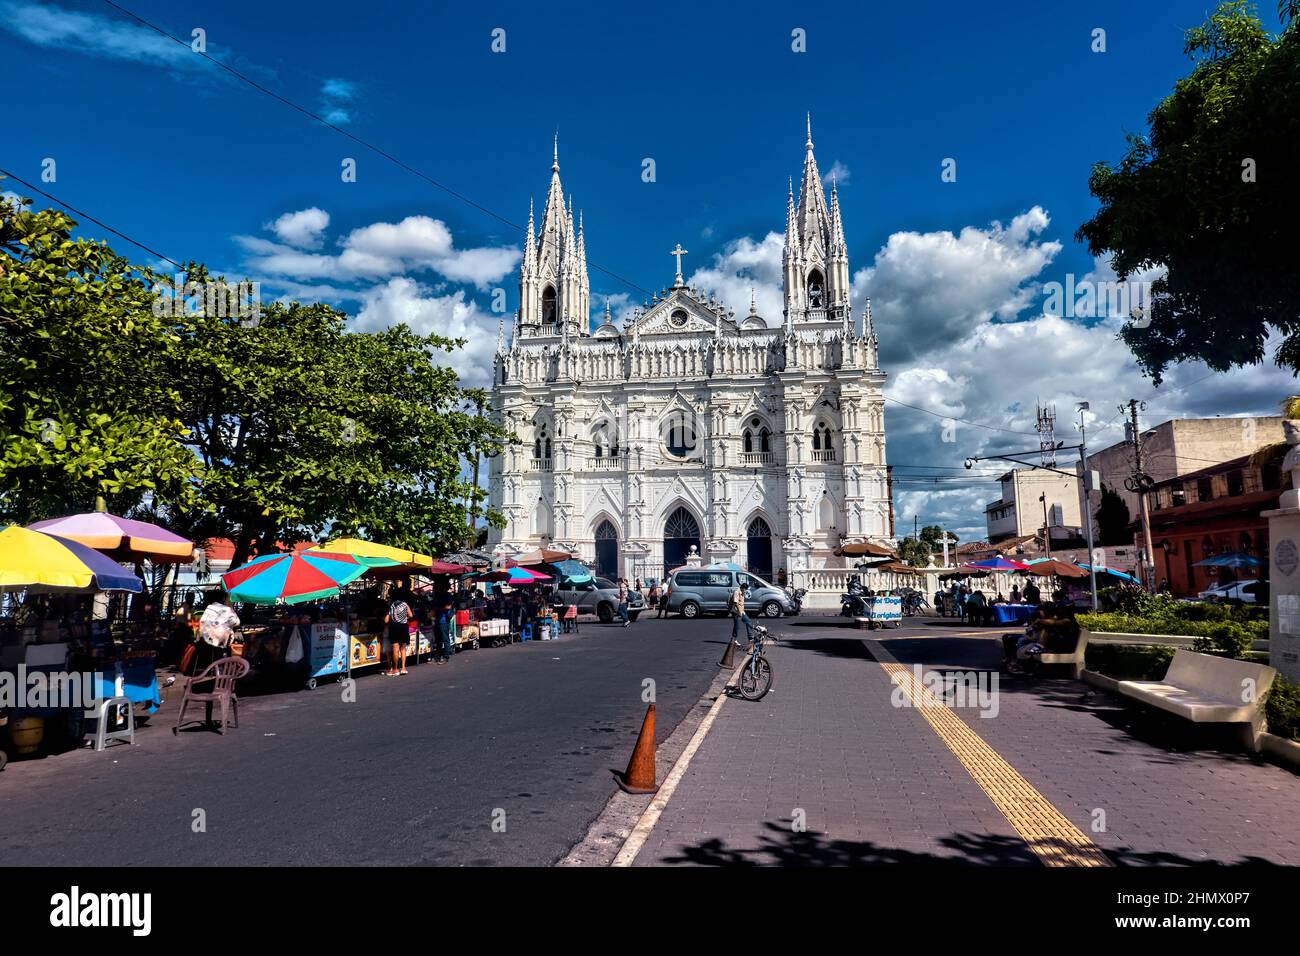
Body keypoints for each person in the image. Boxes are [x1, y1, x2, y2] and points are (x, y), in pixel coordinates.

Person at [194, 599, 240, 675]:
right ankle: (220, 668)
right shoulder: (227, 609)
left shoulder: (210, 607)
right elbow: (237, 622)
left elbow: (202, 621)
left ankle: (214, 668)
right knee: (224, 643)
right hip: (219, 641)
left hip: (204, 639)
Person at [385, 590, 413, 676]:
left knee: (395, 648)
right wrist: (404, 618)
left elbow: (386, 620)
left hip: (394, 627)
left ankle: (395, 669)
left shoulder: (391, 605)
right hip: (404, 627)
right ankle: (403, 668)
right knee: (403, 648)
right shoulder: (405, 604)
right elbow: (411, 615)